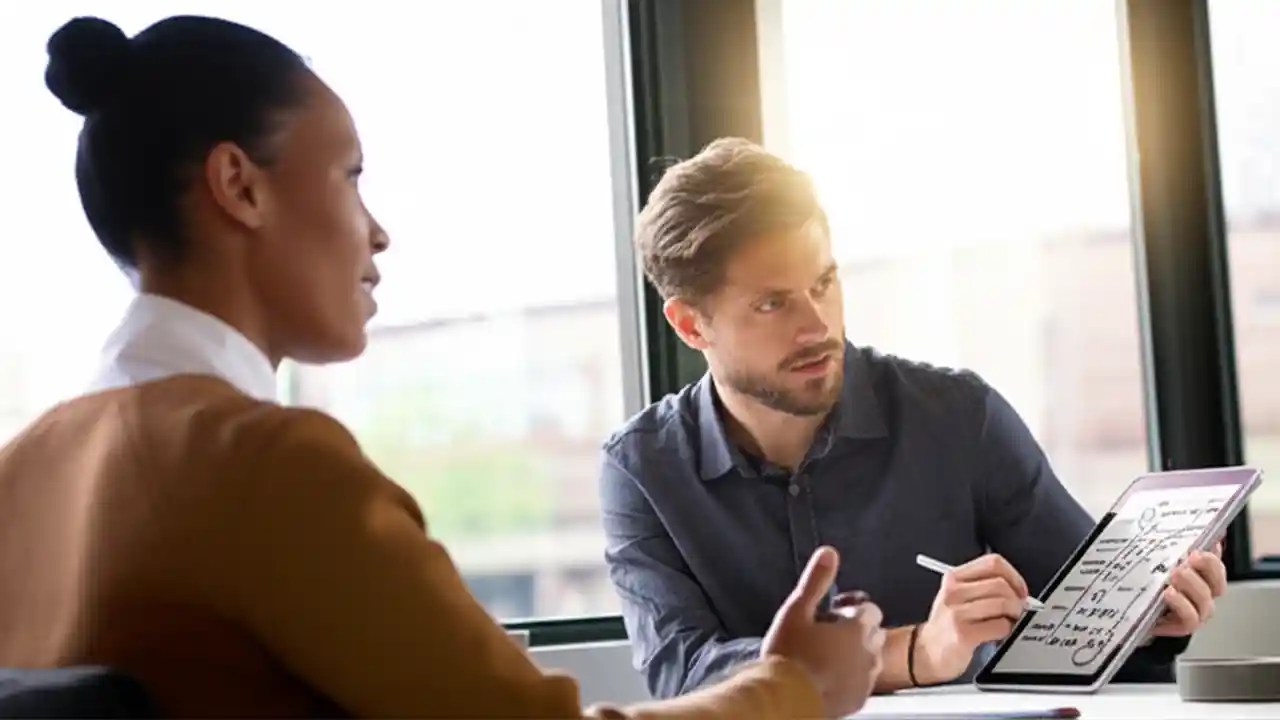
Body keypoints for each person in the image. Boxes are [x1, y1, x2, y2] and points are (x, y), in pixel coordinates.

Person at [0, 16, 886, 719]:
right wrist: (796, 688)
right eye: (350, 176)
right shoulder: (265, 467)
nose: (377, 230)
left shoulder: (23, 473)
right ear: (239, 185)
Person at [599, 137, 1230, 699]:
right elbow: (683, 672)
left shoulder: (960, 417)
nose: (818, 326)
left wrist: (1146, 623)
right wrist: (918, 652)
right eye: (772, 303)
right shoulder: (641, 468)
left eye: (824, 283)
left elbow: (1077, 627)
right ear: (689, 324)